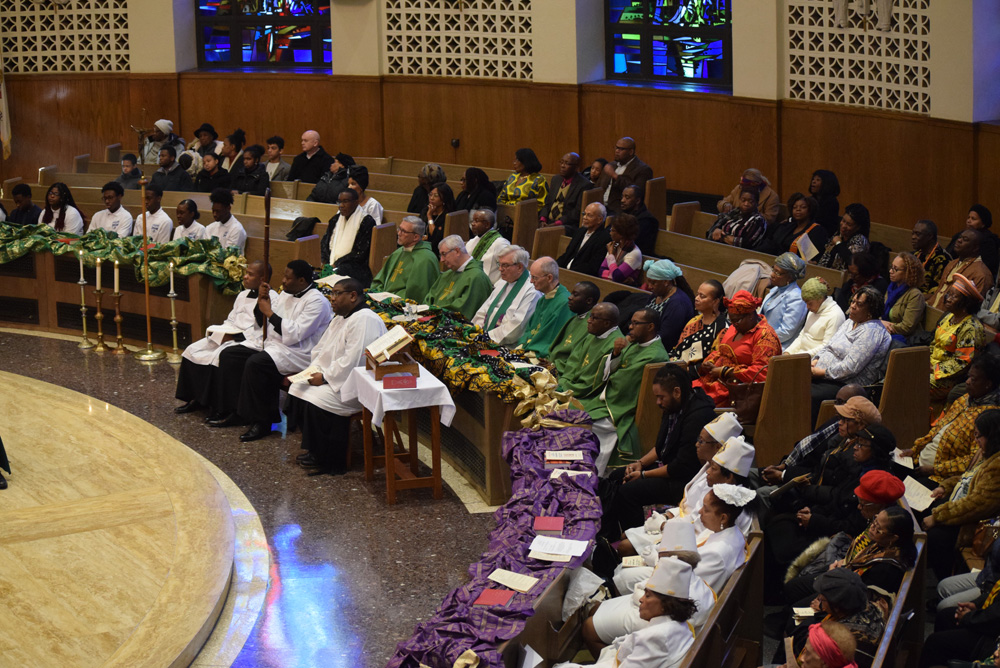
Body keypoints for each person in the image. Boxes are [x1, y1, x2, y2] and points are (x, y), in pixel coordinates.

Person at [211, 260, 334, 442]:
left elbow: (296, 333)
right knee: (231, 355)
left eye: (288, 277)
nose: (283, 281)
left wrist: (268, 312)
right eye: (284, 276)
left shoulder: (317, 301)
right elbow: (265, 324)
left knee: (257, 364)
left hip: (299, 353)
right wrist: (262, 302)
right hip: (275, 345)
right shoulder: (285, 293)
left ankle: (263, 422)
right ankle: (236, 411)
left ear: (301, 280)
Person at [285, 278, 387, 475]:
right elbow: (321, 350)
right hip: (336, 378)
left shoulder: (365, 319)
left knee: (316, 400)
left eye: (336, 294)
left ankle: (331, 460)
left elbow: (355, 360)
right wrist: (312, 372)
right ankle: (315, 450)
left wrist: (323, 378)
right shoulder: (341, 317)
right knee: (297, 388)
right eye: (331, 294)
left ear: (352, 296)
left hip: (356, 387)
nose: (331, 299)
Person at [599, 364, 716, 536]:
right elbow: (662, 447)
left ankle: (634, 538)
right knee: (617, 476)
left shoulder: (698, 415)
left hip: (686, 480)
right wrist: (639, 464)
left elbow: (681, 466)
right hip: (671, 468)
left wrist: (644, 475)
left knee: (628, 491)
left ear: (677, 392)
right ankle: (611, 534)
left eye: (661, 397)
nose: (658, 402)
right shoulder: (674, 405)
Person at [585, 520, 715, 652]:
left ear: (672, 561)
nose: (658, 560)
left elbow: (654, 607)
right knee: (596, 608)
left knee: (589, 627)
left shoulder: (656, 635)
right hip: (656, 611)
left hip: (652, 619)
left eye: (661, 558)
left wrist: (642, 595)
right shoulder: (690, 580)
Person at [556, 557, 697, 668]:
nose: (641, 599)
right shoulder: (679, 626)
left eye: (647, 596)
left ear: (666, 605)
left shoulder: (654, 638)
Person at [175, 260, 274, 416]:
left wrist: (236, 337)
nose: (245, 277)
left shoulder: (271, 298)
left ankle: (221, 407)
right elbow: (231, 319)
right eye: (246, 273)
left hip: (249, 341)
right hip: (231, 335)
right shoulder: (242, 294)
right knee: (192, 350)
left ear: (262, 279)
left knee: (220, 356)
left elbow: (263, 329)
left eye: (250, 274)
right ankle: (195, 398)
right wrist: (220, 331)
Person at [580, 307, 671, 472]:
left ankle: (588, 471)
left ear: (650, 327)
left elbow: (623, 383)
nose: (630, 327)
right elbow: (612, 371)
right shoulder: (635, 344)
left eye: (636, 323)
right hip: (611, 399)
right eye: (631, 322)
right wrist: (616, 352)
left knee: (580, 421)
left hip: (622, 408)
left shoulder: (654, 355)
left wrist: (612, 374)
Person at [923, 409, 1000, 583]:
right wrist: (945, 486)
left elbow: (978, 504)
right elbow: (968, 477)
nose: (976, 440)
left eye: (979, 436)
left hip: (973, 524)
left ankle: (942, 584)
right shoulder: (986, 453)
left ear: (993, 437)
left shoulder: (998, 465)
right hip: (958, 508)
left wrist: (937, 517)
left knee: (934, 538)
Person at [903, 354, 1000, 486]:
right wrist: (914, 450)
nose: (967, 382)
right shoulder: (963, 399)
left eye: (973, 379)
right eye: (968, 377)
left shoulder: (989, 418)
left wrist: (934, 469)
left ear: (988, 384)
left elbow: (973, 461)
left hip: (940, 478)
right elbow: (936, 431)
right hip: (918, 462)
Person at [810, 287, 891, 419]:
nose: (852, 306)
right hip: (822, 375)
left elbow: (850, 368)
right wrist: (814, 361)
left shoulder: (872, 331)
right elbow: (829, 346)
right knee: (793, 382)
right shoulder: (849, 322)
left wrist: (820, 372)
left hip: (846, 384)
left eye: (859, 304)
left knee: (806, 394)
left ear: (871, 310)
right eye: (853, 302)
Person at [780, 569, 884, 668]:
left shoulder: (841, 639)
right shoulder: (866, 606)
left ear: (837, 608)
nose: (819, 599)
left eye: (822, 599)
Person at [695, 290, 782, 408]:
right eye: (731, 320)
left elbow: (761, 373)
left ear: (751, 315)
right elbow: (720, 352)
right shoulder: (735, 327)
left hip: (736, 390)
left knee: (696, 404)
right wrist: (710, 363)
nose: (733, 324)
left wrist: (724, 371)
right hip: (714, 381)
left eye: (737, 320)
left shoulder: (766, 337)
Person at [928, 275, 987, 401]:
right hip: (930, 366)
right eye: (948, 294)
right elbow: (934, 344)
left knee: (913, 380)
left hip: (948, 378)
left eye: (954, 296)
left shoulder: (971, 328)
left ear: (966, 303)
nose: (948, 299)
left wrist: (934, 368)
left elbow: (963, 362)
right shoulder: (948, 317)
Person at [554, 302, 624, 401]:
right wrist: (564, 381)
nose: (588, 320)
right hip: (569, 384)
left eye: (593, 318)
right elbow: (574, 359)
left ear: (606, 323)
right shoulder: (594, 333)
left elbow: (593, 383)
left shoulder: (614, 345)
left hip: (584, 394)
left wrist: (565, 388)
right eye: (590, 316)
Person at [472, 245, 540, 345]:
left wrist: (486, 338)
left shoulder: (531, 291)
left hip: (505, 345)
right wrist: (475, 329)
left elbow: (516, 327)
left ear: (520, 267)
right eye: (499, 264)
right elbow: (484, 309)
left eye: (505, 265)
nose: (500, 269)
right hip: (483, 336)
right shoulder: (503, 281)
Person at [368, 217, 440, 302]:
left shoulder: (426, 259)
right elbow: (380, 280)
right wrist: (378, 293)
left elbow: (417, 295)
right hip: (384, 300)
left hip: (401, 305)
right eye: (399, 229)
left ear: (416, 237)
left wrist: (391, 299)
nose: (398, 233)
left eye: (404, 231)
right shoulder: (398, 252)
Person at [423, 235, 493, 320]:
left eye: (444, 254)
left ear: (457, 251)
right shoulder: (446, 274)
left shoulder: (477, 278)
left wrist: (433, 315)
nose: (441, 260)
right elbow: (429, 298)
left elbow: (462, 312)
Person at [319, 189, 377, 286]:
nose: (341, 205)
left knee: (339, 272)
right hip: (333, 264)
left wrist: (337, 264)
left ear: (356, 202)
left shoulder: (366, 221)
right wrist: (326, 262)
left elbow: (360, 253)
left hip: (356, 267)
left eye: (345, 201)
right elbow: (325, 243)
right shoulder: (335, 219)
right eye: (339, 202)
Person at [517, 257, 573, 356]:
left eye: (535, 277)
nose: (531, 281)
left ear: (549, 278)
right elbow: (530, 329)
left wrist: (529, 352)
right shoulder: (543, 298)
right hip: (528, 350)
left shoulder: (564, 303)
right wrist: (521, 346)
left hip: (541, 356)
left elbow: (551, 338)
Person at [928, 228, 993, 310]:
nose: (959, 240)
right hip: (931, 310)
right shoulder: (952, 263)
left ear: (975, 248)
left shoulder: (981, 274)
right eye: (960, 237)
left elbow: (972, 308)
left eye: (965, 239)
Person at [548, 280, 601, 374]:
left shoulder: (591, 326)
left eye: (575, 295)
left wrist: (553, 366)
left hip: (563, 372)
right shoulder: (577, 317)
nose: (569, 297)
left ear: (588, 301)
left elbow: (576, 358)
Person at [669, 279, 728, 363]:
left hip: (699, 372)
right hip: (678, 365)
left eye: (702, 296)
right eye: (697, 294)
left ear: (715, 301)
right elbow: (678, 348)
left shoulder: (723, 328)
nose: (696, 298)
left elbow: (714, 361)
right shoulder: (694, 321)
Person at [786, 278, 846, 357]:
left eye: (810, 303)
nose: (807, 307)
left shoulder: (835, 315)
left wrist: (796, 357)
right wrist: (788, 352)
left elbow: (826, 348)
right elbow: (802, 335)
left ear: (820, 299)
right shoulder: (814, 309)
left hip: (814, 361)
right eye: (806, 303)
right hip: (800, 356)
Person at [759, 192, 829, 259]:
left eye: (803, 207)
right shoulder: (787, 226)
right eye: (795, 207)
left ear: (810, 210)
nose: (798, 209)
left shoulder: (817, 231)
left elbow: (814, 257)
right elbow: (772, 244)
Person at [760, 252, 809, 349]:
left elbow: (786, 332)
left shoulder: (797, 298)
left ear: (790, 277)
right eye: (773, 269)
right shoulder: (775, 289)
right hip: (761, 338)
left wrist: (760, 337)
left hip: (776, 345)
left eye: (777, 273)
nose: (772, 274)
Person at [538, 152, 590, 233]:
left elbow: (577, 212)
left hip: (566, 224)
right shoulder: (556, 179)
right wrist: (543, 220)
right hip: (549, 221)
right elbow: (548, 203)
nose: (562, 166)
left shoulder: (584, 184)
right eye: (561, 162)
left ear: (576, 167)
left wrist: (557, 224)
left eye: (567, 163)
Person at [557, 202, 611, 277]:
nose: (584, 217)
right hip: (566, 271)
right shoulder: (580, 231)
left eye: (589, 215)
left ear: (600, 219)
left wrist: (570, 272)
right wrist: (555, 266)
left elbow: (593, 266)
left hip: (580, 276)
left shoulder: (604, 238)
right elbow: (567, 254)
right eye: (584, 214)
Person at [880, 252, 926, 341]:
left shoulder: (915, 295)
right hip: (886, 332)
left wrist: (883, 325)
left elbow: (907, 327)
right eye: (891, 267)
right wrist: (879, 322)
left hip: (903, 339)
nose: (890, 271)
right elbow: (880, 312)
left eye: (895, 269)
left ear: (908, 273)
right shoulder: (891, 288)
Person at [946, 204, 1000, 279]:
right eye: (968, 217)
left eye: (973, 219)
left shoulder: (988, 241)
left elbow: (987, 268)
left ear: (983, 224)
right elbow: (948, 255)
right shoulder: (960, 235)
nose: (968, 221)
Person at [602, 136, 653, 214]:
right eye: (616, 148)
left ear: (631, 152)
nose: (617, 151)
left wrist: (615, 176)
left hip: (620, 210)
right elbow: (599, 187)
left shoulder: (643, 169)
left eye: (621, 149)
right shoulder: (611, 165)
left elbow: (636, 193)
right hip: (601, 206)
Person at [816, 203, 871, 271]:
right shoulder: (839, 234)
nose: (843, 226)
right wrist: (816, 263)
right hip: (825, 273)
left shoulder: (860, 239)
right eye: (843, 221)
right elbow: (827, 254)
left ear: (858, 227)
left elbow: (852, 262)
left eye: (849, 224)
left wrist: (839, 243)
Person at [466, 209, 510, 283]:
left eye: (476, 221)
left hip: (491, 287)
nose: (472, 224)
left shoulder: (501, 243)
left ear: (487, 224)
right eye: (472, 221)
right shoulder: (472, 242)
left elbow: (507, 270)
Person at [601, 214, 644, 285]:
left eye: (613, 230)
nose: (610, 233)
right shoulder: (615, 246)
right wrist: (618, 278)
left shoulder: (634, 253)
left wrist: (611, 255)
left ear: (622, 234)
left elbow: (617, 276)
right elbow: (601, 271)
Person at [911, 219, 951, 295]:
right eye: (913, 233)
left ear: (929, 236)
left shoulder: (942, 259)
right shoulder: (916, 255)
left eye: (918, 234)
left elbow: (936, 294)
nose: (913, 237)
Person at [202, 188, 246, 254]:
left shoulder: (237, 229)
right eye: (213, 210)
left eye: (218, 211)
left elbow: (228, 254)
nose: (214, 214)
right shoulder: (210, 227)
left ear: (228, 208)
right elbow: (204, 250)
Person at [620, 184, 660, 255]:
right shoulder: (623, 213)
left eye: (627, 197)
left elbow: (633, 242)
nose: (622, 200)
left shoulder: (646, 220)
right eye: (622, 197)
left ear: (637, 201)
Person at [421, 182, 456, 256]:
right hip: (423, 246)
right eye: (430, 194)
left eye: (436, 195)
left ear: (444, 198)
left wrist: (429, 216)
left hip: (438, 251)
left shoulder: (447, 216)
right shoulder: (425, 210)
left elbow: (436, 237)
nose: (431, 198)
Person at [809, 169, 842, 235]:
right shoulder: (811, 199)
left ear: (826, 183)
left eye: (818, 180)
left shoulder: (831, 202)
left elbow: (822, 223)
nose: (813, 182)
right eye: (813, 179)